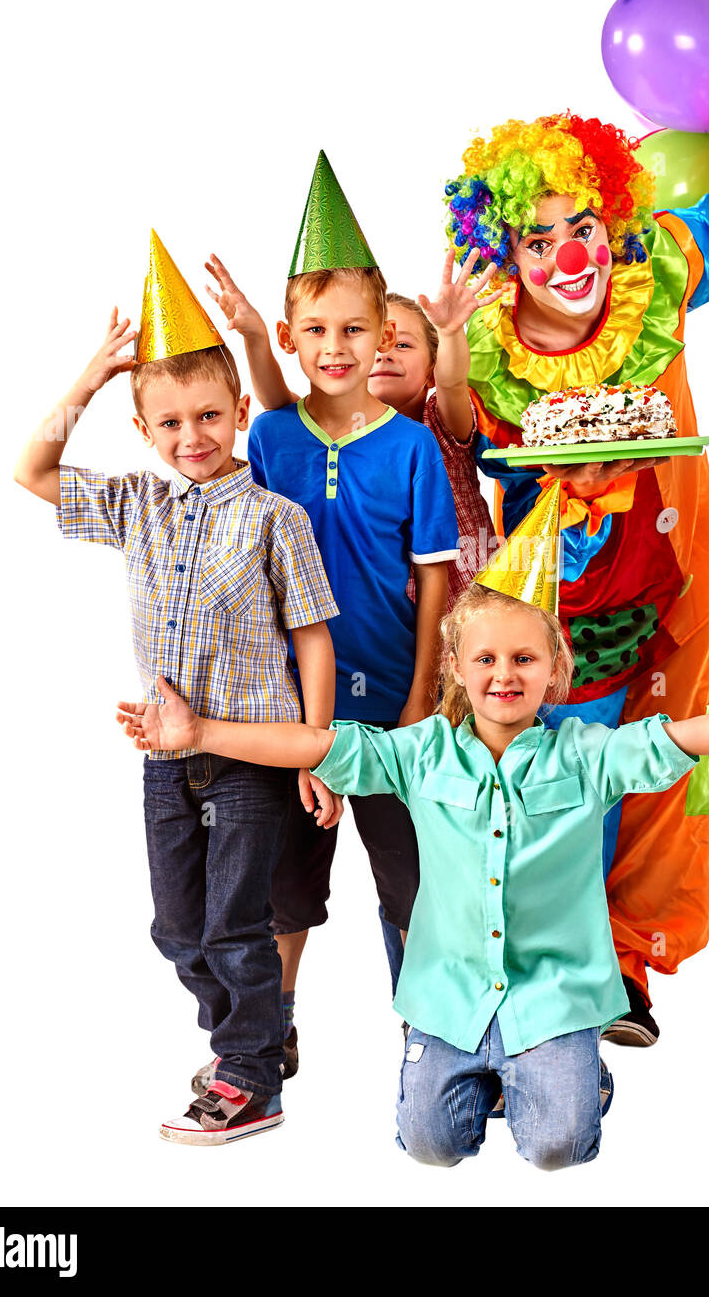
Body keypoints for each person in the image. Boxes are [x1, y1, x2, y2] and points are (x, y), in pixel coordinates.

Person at [116, 504, 709, 1166]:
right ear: (456, 667)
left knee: (554, 1149)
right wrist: (201, 731)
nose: (504, 675)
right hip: (450, 1001)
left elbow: (693, 733)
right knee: (431, 1146)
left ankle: (574, 1074)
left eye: (524, 659)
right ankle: (494, 1076)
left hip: (554, 997)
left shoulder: (587, 755)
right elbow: (312, 746)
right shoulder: (420, 754)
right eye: (485, 659)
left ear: (555, 671)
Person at [442, 111, 709, 1044]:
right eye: (536, 240)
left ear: (613, 222)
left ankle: (626, 966)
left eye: (583, 226)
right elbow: (465, 438)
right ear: (502, 253)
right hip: (555, 614)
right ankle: (547, 968)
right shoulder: (491, 350)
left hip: (670, 590)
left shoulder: (654, 276)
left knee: (664, 782)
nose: (568, 256)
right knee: (561, 791)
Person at [13, 232, 340, 1143]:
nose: (191, 437)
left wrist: (318, 754)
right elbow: (31, 471)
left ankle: (246, 1074)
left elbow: (312, 638)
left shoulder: (277, 518)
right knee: (177, 933)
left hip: (249, 759)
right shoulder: (138, 506)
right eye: (170, 423)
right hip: (166, 756)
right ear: (144, 431)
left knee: (238, 925)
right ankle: (258, 1032)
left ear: (239, 412)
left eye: (208, 415)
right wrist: (86, 380)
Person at [202, 154, 459, 1057]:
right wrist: (245, 345)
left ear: (386, 333)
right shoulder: (270, 436)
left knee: (411, 878)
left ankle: (429, 1028)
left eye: (359, 328)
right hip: (283, 707)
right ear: (291, 335)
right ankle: (273, 1026)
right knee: (283, 882)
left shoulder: (416, 448)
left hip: (390, 699)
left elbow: (434, 580)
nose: (341, 346)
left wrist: (423, 694)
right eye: (317, 329)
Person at [207, 247, 499, 609]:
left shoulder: (440, 423)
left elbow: (454, 382)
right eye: (371, 344)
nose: (383, 355)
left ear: (432, 366)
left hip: (471, 604)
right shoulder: (338, 430)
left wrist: (450, 330)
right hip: (401, 609)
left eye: (404, 345)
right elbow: (280, 405)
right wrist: (255, 338)